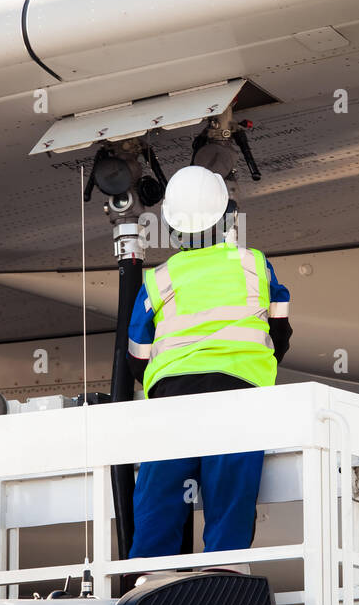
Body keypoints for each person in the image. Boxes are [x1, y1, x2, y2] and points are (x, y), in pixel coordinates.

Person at [124, 165, 291, 560]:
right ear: (228, 216)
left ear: (172, 226)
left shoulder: (157, 279)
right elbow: (280, 331)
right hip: (239, 394)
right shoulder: (254, 264)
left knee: (159, 492)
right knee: (232, 488)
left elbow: (137, 356)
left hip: (173, 400)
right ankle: (224, 572)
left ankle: (148, 576)